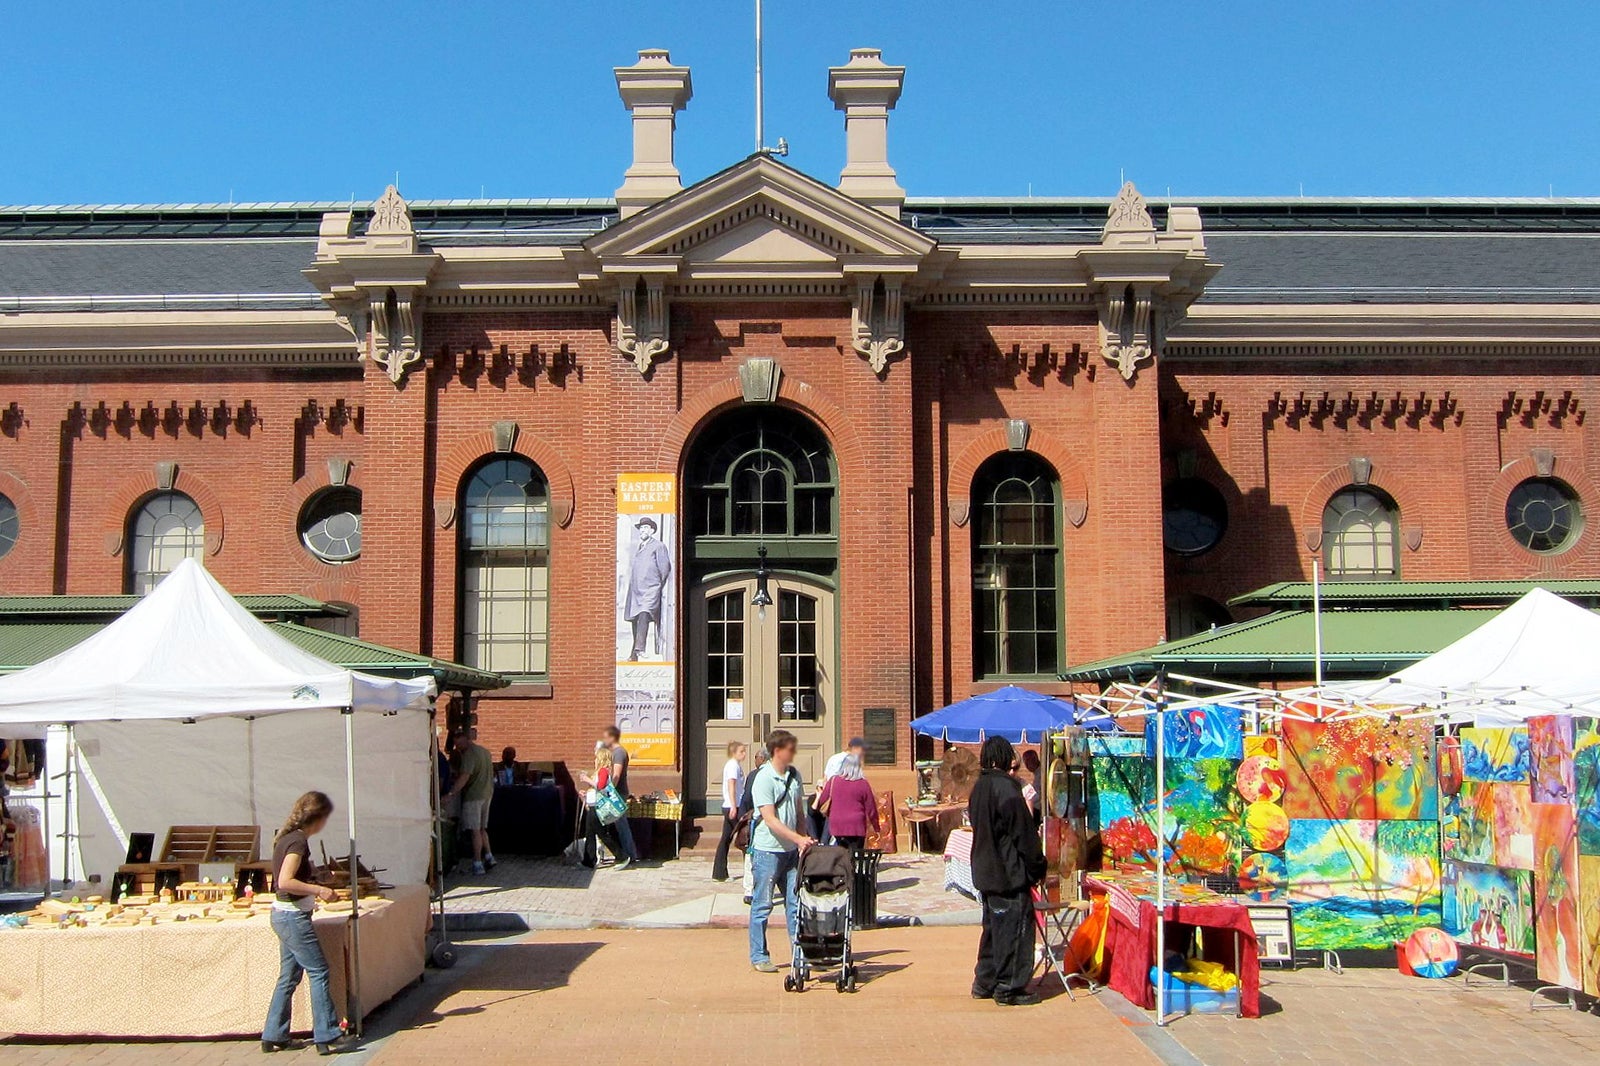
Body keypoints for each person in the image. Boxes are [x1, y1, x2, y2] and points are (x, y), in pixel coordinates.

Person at [261, 791, 357, 1056]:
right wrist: (319, 890)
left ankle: (274, 1034)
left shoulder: (286, 837)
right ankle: (326, 1034)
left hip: (284, 913)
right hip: (292, 916)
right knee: (319, 971)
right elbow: (285, 881)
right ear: (318, 818)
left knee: (289, 976)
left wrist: (316, 881)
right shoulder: (298, 842)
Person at [968, 736, 1047, 1006]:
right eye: (1012, 764)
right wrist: (1037, 865)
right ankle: (1008, 987)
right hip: (1008, 873)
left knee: (992, 931)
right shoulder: (1006, 789)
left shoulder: (978, 788)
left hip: (986, 870)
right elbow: (1023, 834)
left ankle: (985, 981)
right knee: (1014, 931)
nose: (1015, 769)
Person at [748, 729, 815, 973]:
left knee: (796, 904)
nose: (793, 753)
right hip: (768, 851)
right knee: (762, 905)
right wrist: (798, 839)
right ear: (777, 751)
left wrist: (803, 838)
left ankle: (799, 956)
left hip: (791, 852)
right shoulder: (763, 779)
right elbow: (770, 819)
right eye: (790, 748)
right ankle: (759, 955)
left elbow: (799, 811)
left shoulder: (794, 776)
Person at [444, 731, 496, 874]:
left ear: (467, 739)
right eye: (456, 745)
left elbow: (464, 778)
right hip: (487, 793)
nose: (458, 747)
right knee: (482, 828)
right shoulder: (485, 752)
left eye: (460, 744)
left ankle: (478, 863)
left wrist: (450, 794)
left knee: (474, 831)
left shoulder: (469, 755)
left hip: (473, 796)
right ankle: (489, 856)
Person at [624, 516, 672, 661]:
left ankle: (640, 648)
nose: (642, 531)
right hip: (636, 590)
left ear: (652, 530)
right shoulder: (640, 547)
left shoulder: (658, 546)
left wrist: (656, 584)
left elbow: (665, 569)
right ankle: (634, 654)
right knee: (635, 619)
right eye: (641, 528)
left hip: (650, 589)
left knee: (644, 614)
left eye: (645, 528)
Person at [578, 743, 629, 869]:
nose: (594, 760)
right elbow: (597, 788)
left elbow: (601, 786)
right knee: (589, 833)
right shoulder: (600, 772)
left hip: (598, 808)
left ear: (600, 759)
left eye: (596, 758)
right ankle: (588, 860)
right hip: (593, 804)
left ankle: (622, 856)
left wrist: (586, 779)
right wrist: (587, 793)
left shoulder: (603, 771)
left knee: (602, 834)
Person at [815, 753, 879, 852]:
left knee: (842, 851)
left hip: (837, 823)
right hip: (857, 825)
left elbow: (823, 800)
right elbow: (871, 807)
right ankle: (853, 865)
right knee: (856, 851)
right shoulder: (863, 783)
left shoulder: (833, 780)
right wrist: (876, 826)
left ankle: (844, 866)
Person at [602, 726, 640, 864]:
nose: (604, 740)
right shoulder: (618, 752)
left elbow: (616, 774)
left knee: (621, 825)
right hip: (619, 792)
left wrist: (609, 791)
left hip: (617, 794)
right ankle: (628, 854)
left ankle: (629, 855)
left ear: (612, 737)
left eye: (606, 737)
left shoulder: (618, 753)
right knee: (619, 825)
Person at [816, 736, 866, 840]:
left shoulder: (833, 758)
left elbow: (825, 778)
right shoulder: (852, 761)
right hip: (846, 800)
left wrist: (824, 795)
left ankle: (824, 845)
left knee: (832, 826)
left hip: (832, 797)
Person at [712, 740, 747, 882]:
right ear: (734, 753)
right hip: (734, 806)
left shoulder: (735, 765)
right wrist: (733, 805)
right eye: (741, 751)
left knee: (726, 838)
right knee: (744, 836)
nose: (744, 754)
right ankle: (747, 869)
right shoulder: (733, 766)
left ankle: (719, 873)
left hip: (732, 805)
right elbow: (731, 785)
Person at [739, 744, 770, 903]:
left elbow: (746, 798)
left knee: (750, 856)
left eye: (756, 757)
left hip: (756, 820)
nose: (754, 760)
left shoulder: (754, 775)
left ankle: (749, 891)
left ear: (762, 758)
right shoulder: (781, 774)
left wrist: (742, 817)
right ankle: (768, 890)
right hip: (775, 822)